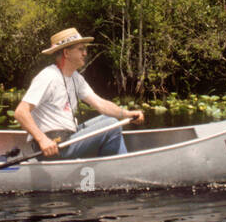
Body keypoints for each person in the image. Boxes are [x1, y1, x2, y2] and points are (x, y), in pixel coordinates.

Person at [14, 28, 143, 159]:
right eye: (80, 49)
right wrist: (42, 140)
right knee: (111, 126)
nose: (85, 53)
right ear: (66, 53)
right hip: (52, 146)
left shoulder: (76, 78)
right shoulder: (48, 77)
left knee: (109, 120)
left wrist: (127, 114)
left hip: (68, 138)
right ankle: (120, 167)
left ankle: (114, 165)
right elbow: (21, 112)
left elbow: (100, 104)